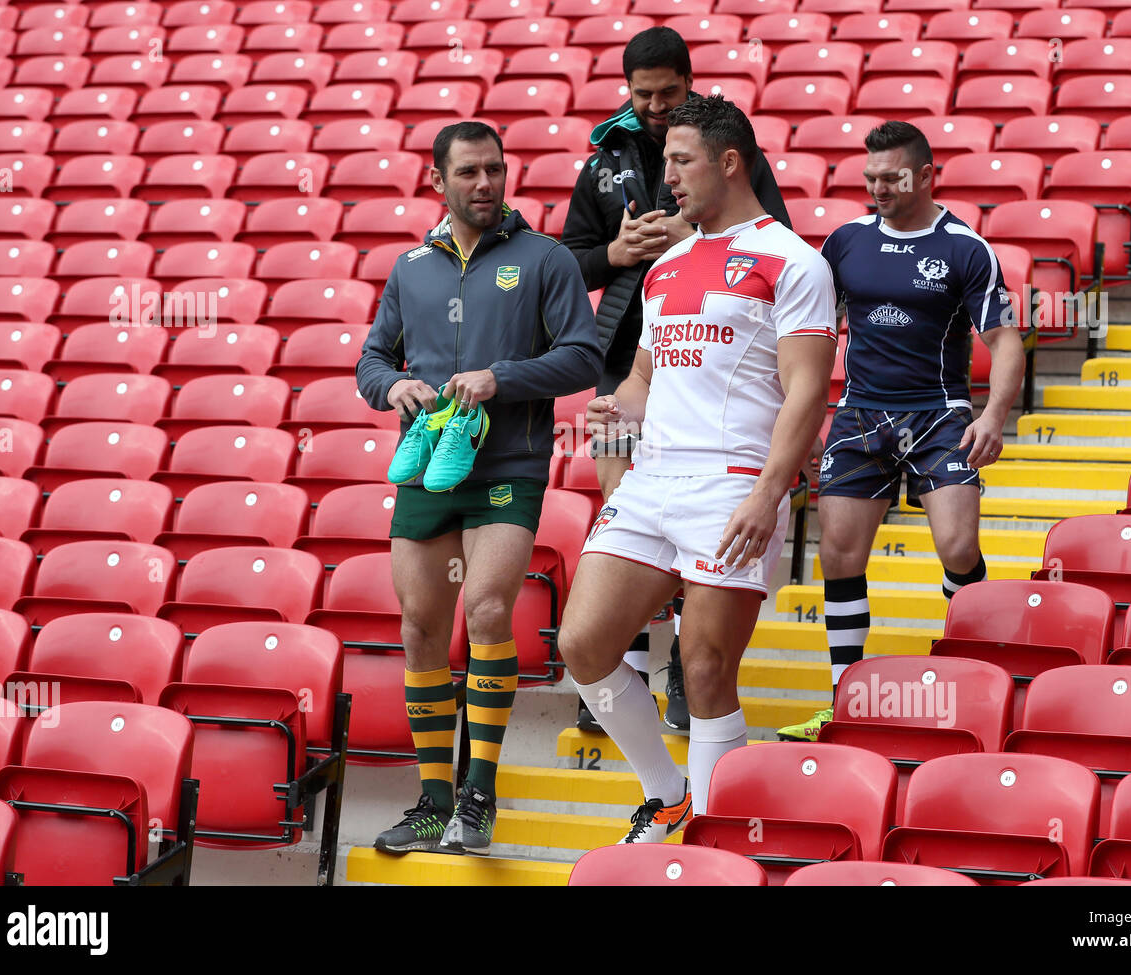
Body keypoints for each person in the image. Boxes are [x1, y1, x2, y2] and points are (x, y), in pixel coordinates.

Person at [556, 95, 837, 841]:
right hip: (652, 478)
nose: (667, 176)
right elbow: (646, 376)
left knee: (706, 667)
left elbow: (807, 388)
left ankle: (712, 843)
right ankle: (669, 793)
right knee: (582, 643)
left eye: (680, 161)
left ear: (729, 161)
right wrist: (618, 405)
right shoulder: (666, 264)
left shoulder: (795, 262)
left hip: (735, 480)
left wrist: (769, 492)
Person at [357, 121, 602, 855]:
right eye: (469, 173)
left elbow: (584, 357)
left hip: (508, 467)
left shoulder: (545, 259)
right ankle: (433, 801)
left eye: (495, 169)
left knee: (490, 606)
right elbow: (371, 360)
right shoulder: (410, 267)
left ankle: (480, 793)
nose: (486, 184)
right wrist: (393, 384)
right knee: (419, 627)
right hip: (429, 462)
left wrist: (502, 378)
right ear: (440, 182)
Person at [560, 26, 793, 733]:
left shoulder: (723, 145)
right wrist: (616, 250)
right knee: (622, 519)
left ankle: (689, 672)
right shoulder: (602, 158)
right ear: (626, 92)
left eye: (669, 94)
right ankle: (619, 670)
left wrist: (692, 242)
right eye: (644, 95)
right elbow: (567, 263)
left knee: (697, 523)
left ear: (689, 85)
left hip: (714, 361)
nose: (657, 107)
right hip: (625, 354)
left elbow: (770, 233)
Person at [776, 120, 1026, 742]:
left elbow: (1004, 339)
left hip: (940, 414)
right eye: (870, 178)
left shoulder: (966, 248)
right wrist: (802, 423)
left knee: (958, 548)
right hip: (860, 414)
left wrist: (993, 416)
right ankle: (844, 696)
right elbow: (806, 334)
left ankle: (973, 677)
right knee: (836, 553)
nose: (877, 188)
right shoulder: (845, 242)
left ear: (925, 176)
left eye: (890, 178)